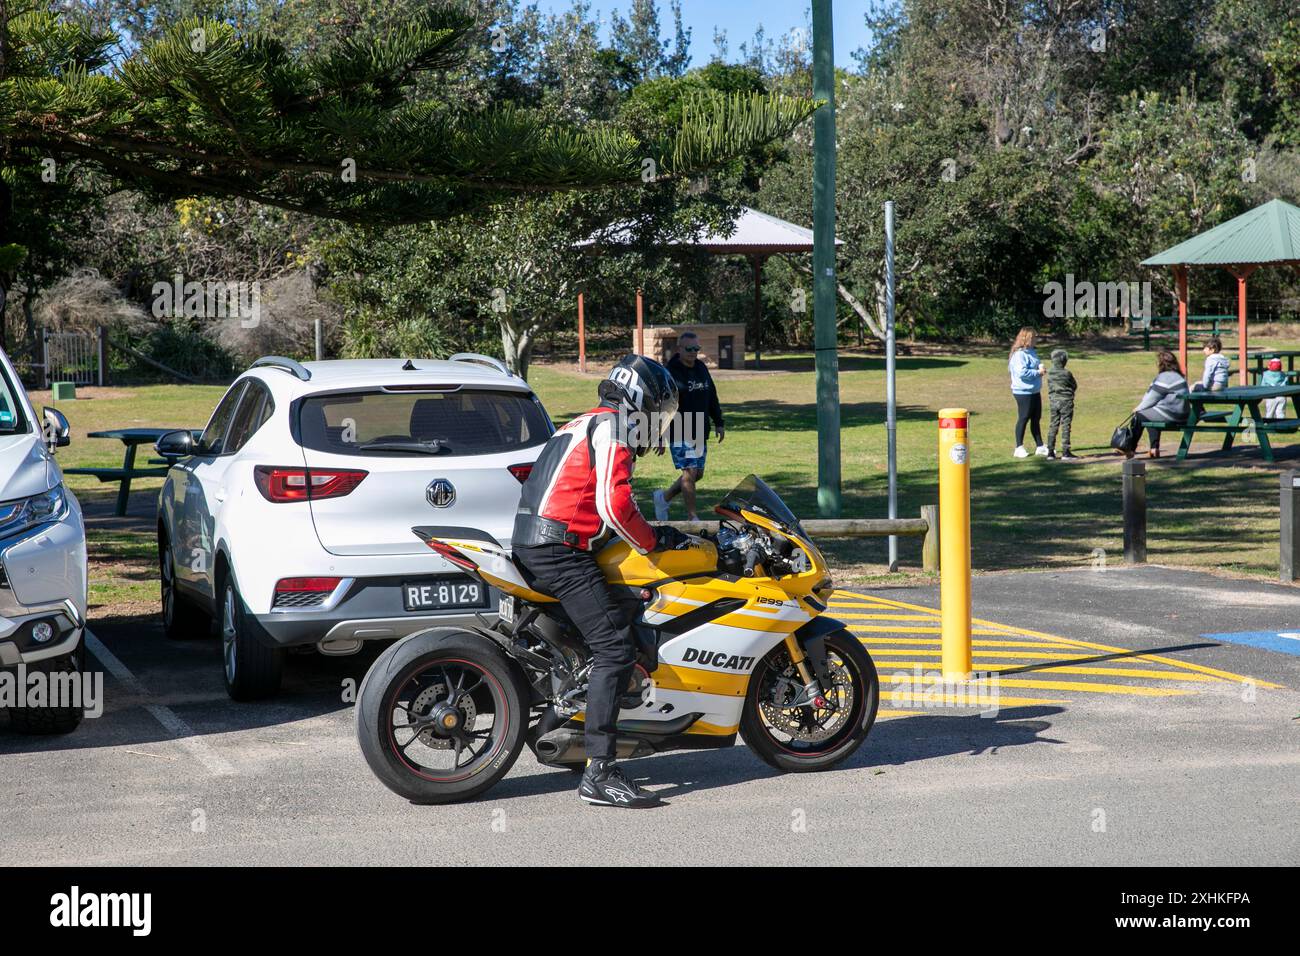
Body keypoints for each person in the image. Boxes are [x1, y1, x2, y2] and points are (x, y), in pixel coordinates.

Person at [512, 354, 686, 809]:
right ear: (641, 400)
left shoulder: (583, 422)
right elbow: (614, 503)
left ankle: (567, 722)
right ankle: (600, 772)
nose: (659, 424)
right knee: (615, 647)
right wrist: (652, 541)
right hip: (559, 549)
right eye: (658, 411)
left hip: (539, 542)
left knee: (609, 623)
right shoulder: (616, 428)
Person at [653, 331, 725, 521]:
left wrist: (719, 422)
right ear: (679, 349)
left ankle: (664, 497)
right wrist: (658, 435)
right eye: (689, 349)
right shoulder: (670, 373)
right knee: (690, 470)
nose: (693, 352)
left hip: (700, 430)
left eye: (696, 349)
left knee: (697, 474)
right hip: (678, 430)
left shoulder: (701, 368)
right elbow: (661, 405)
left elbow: (712, 396)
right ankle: (692, 517)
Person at [1123, 349, 1188, 459]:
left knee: (1139, 416)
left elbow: (1151, 398)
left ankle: (1130, 449)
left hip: (1173, 415)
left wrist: (1137, 409)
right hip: (1183, 414)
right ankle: (1154, 449)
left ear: (1161, 364)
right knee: (1150, 414)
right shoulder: (1178, 376)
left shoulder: (1165, 377)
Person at [1009, 327, 1047, 458]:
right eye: (1034, 337)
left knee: (1036, 418)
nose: (1036, 340)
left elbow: (1035, 364)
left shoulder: (1031, 352)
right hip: (1023, 391)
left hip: (1034, 390)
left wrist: (1040, 366)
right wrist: (1037, 372)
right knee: (1024, 417)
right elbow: (1022, 372)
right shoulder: (1019, 354)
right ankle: (1018, 447)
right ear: (1027, 338)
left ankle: (1040, 446)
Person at [1045, 348, 1078, 461]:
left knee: (1053, 425)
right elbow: (1074, 385)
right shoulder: (1067, 373)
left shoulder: (1049, 373)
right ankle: (1065, 452)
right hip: (1066, 402)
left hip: (1054, 402)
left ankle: (1050, 452)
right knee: (1065, 425)